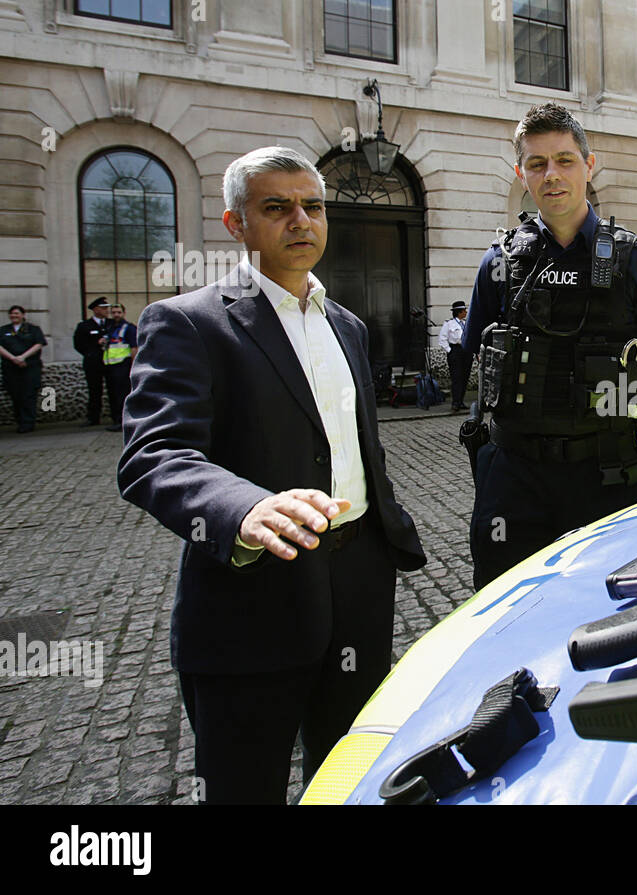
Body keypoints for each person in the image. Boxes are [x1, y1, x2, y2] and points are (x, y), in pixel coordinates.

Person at [118, 146, 426, 804]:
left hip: (358, 592)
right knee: (244, 786)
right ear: (235, 223)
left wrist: (384, 530)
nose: (301, 220)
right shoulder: (188, 322)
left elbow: (350, 445)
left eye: (312, 206)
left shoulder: (346, 325)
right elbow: (154, 453)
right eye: (276, 207)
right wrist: (243, 509)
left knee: (350, 777)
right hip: (252, 600)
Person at [463, 102, 637, 590]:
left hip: (604, 475)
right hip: (513, 479)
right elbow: (477, 354)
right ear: (521, 172)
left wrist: (609, 403)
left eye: (565, 160)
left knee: (608, 605)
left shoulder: (635, 258)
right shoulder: (498, 262)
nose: (552, 175)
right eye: (537, 163)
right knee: (503, 608)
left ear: (589, 166)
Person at [0, 305, 46, 434]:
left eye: (17, 313)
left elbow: (39, 344)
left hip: (30, 367)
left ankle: (28, 422)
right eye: (12, 314)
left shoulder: (33, 329)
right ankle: (20, 421)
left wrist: (23, 357)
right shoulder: (3, 330)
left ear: (23, 315)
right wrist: (13, 358)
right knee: (15, 395)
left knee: (29, 395)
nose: (14, 316)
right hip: (11, 367)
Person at [73, 296, 113, 427]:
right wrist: (94, 347)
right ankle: (93, 417)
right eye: (103, 308)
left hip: (111, 362)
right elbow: (78, 344)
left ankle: (116, 416)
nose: (107, 310)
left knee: (113, 390)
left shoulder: (111, 324)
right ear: (96, 310)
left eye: (107, 308)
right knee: (94, 391)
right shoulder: (85, 326)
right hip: (93, 363)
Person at [102, 303, 137, 432]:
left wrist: (133, 366)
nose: (116, 315)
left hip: (123, 366)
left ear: (124, 313)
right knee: (113, 395)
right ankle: (116, 419)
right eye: (114, 312)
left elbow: (134, 348)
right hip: (110, 366)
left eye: (118, 312)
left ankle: (124, 422)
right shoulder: (110, 328)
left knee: (122, 395)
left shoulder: (129, 328)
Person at [439, 300, 470, 411]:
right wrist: (450, 351)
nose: (466, 312)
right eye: (464, 310)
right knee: (456, 377)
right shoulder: (449, 324)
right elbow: (442, 339)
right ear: (459, 312)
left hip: (466, 351)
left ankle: (461, 401)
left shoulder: (467, 323)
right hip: (455, 351)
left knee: (465, 377)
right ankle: (455, 402)